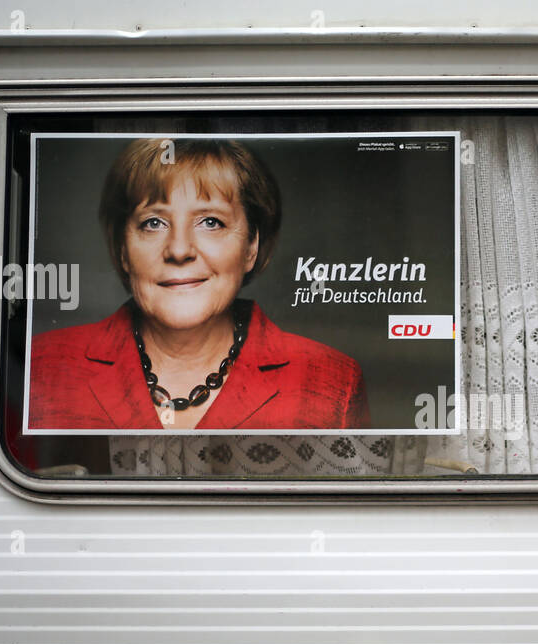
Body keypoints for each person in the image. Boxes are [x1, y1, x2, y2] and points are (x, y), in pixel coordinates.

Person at [27, 138, 371, 431]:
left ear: (251, 246)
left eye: (211, 222)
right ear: (123, 250)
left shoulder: (331, 382)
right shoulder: (41, 367)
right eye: (153, 223)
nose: (178, 249)